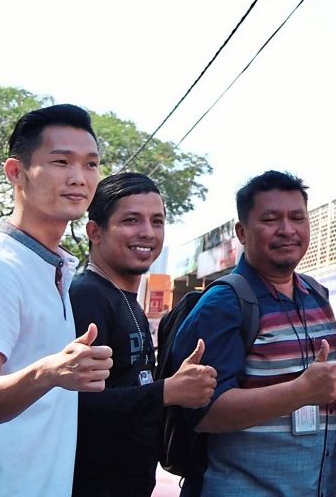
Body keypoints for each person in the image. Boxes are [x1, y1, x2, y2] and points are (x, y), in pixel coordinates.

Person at [0, 103, 114, 497]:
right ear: (15, 172)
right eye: (61, 162)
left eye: (91, 164)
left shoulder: (51, 267)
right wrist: (49, 372)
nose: (79, 177)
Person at [170, 170, 336, 497]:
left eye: (297, 217)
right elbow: (205, 412)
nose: (287, 230)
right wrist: (300, 391)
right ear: (241, 232)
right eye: (270, 219)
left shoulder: (317, 295)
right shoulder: (225, 302)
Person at [70, 172, 217, 496]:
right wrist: (167, 391)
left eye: (157, 221)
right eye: (131, 220)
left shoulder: (128, 301)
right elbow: (75, 405)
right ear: (95, 231)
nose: (148, 233)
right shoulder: (87, 296)